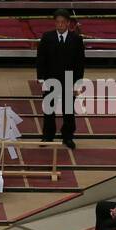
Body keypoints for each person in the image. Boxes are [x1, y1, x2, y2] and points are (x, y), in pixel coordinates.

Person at [36, 9, 85, 148]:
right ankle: (47, 136)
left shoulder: (76, 38)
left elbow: (80, 63)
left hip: (69, 79)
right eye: (57, 22)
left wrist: (77, 83)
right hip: (50, 79)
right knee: (48, 110)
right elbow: (41, 59)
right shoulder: (47, 37)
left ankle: (68, 137)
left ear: (68, 23)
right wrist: (41, 78)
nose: (60, 24)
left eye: (63, 22)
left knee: (68, 110)